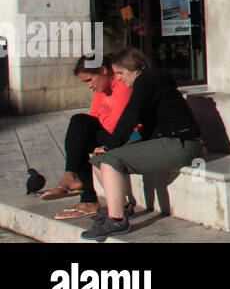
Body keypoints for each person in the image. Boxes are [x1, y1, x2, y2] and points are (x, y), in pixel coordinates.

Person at [82, 49, 205, 241]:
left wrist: (111, 146)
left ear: (135, 68)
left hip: (182, 144)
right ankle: (121, 207)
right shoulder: (147, 80)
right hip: (165, 140)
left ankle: (117, 221)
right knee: (98, 159)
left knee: (110, 158)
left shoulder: (147, 80)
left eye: (121, 73)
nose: (119, 78)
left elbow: (130, 116)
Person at [42, 56, 133, 219]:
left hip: (129, 136)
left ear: (103, 71)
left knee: (81, 128)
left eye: (89, 80)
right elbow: (92, 117)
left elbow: (116, 125)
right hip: (111, 134)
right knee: (79, 127)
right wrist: (104, 115)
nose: (89, 85)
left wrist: (103, 115)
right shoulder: (101, 89)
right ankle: (74, 179)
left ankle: (83, 192)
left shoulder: (122, 85)